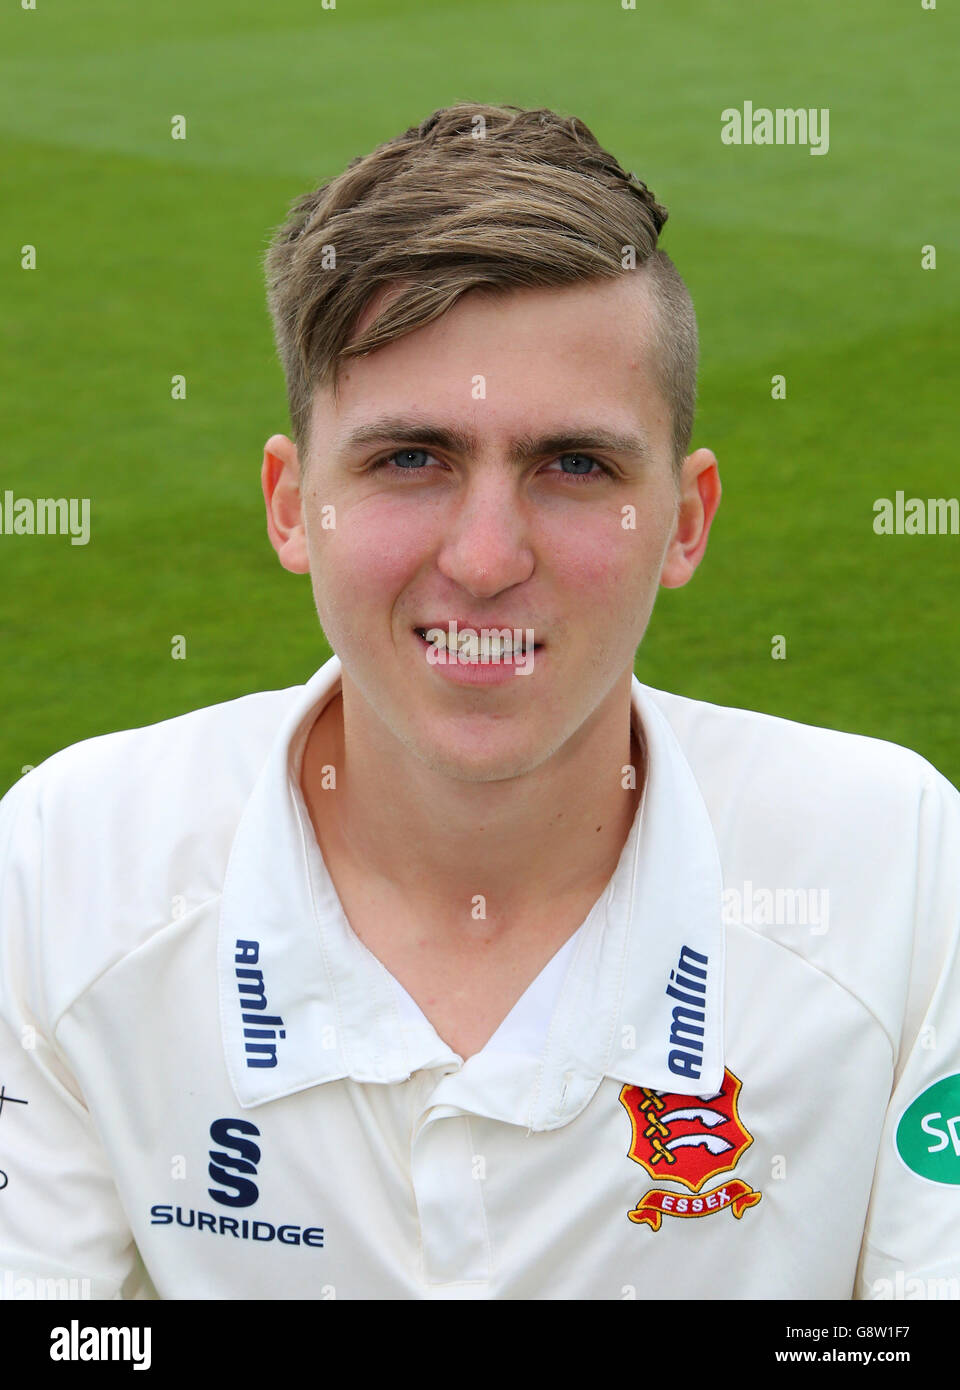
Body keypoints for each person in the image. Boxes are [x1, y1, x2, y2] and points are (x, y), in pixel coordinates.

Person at [0, 103, 957, 1302]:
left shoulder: (903, 868)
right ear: (293, 504)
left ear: (686, 519)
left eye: (574, 465)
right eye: (412, 459)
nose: (488, 555)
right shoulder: (68, 860)